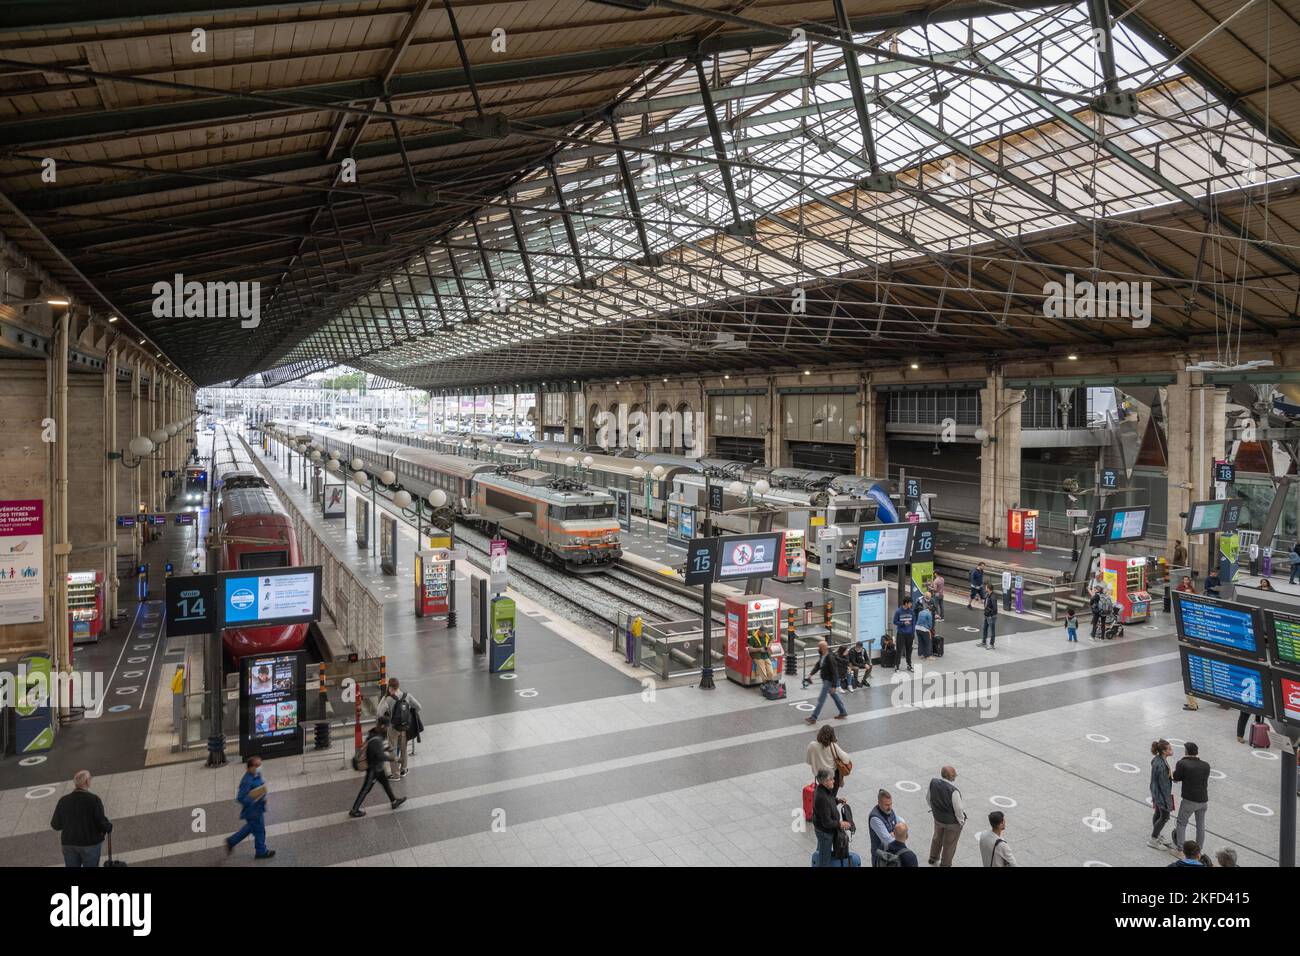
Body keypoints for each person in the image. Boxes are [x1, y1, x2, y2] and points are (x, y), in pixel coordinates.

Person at [50, 770, 112, 868]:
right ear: (87, 782)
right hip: (89, 844)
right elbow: (101, 823)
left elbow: (55, 825)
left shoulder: (63, 800)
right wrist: (108, 827)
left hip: (68, 843)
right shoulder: (94, 800)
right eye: (90, 778)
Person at [350, 718, 408, 818]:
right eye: (387, 726)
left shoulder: (374, 734)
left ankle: (394, 801)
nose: (388, 728)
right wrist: (396, 759)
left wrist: (384, 748)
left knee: (386, 784)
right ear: (382, 726)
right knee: (366, 789)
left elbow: (375, 751)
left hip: (378, 767)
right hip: (373, 769)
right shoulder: (376, 739)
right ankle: (354, 810)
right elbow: (380, 756)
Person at [226, 755, 274, 859]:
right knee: (260, 830)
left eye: (260, 765)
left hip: (258, 809)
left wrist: (263, 796)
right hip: (252, 811)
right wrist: (254, 798)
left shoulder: (257, 774)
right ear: (249, 767)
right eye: (257, 765)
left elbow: (260, 786)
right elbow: (240, 798)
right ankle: (261, 851)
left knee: (251, 828)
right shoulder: (247, 780)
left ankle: (231, 841)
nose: (259, 767)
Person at [376, 678, 421, 778]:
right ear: (398, 686)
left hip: (393, 728)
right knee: (403, 748)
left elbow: (379, 713)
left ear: (390, 687)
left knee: (392, 750)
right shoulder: (407, 696)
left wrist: (384, 698)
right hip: (404, 728)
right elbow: (418, 707)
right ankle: (403, 770)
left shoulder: (388, 699)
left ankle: (395, 774)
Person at [1171, 741, 1210, 856]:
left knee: (1182, 823)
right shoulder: (1206, 765)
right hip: (1203, 800)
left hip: (1189, 801)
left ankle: (1180, 849)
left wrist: (1183, 760)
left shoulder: (1183, 763)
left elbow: (1176, 777)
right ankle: (1198, 851)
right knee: (1200, 825)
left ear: (1186, 752)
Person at [926, 765, 967, 867]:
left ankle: (933, 857)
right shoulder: (954, 791)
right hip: (952, 823)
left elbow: (928, 798)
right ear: (951, 776)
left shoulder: (933, 782)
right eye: (954, 775)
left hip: (938, 818)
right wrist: (961, 821)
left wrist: (935, 810)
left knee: (936, 838)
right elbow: (958, 810)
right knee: (949, 844)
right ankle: (945, 864)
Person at [811, 769, 852, 867]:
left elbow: (830, 800)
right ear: (824, 781)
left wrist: (837, 800)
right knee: (825, 860)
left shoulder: (822, 789)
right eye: (831, 779)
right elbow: (827, 822)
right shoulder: (822, 798)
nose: (834, 781)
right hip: (825, 833)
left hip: (821, 830)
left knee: (821, 851)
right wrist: (840, 824)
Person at [804, 640, 848, 724]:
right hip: (825, 680)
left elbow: (834, 672)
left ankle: (813, 717)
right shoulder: (822, 655)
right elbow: (818, 665)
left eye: (819, 647)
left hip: (828, 681)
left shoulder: (830, 657)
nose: (818, 648)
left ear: (823, 648)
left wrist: (834, 686)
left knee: (821, 699)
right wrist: (811, 673)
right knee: (834, 696)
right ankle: (843, 712)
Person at [805, 724, 851, 800]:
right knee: (831, 798)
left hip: (820, 777)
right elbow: (846, 759)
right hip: (832, 777)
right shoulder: (833, 746)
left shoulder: (812, 745)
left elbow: (809, 761)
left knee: (823, 797)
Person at [1149, 739, 1174, 849]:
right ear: (1164, 751)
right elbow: (1164, 786)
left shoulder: (1157, 759)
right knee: (1164, 817)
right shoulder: (1162, 766)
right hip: (1161, 795)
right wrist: (1168, 801)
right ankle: (1153, 839)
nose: (1171, 750)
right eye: (1169, 749)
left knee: (1158, 813)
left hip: (1155, 791)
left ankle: (1156, 834)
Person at [867, 789, 902, 868]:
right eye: (886, 805)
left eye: (891, 804)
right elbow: (888, 840)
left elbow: (902, 825)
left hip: (891, 856)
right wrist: (898, 834)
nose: (889, 807)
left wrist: (894, 834)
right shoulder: (875, 818)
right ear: (879, 803)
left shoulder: (889, 811)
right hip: (881, 858)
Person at [893, 597, 916, 671]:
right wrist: (903, 623)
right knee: (899, 650)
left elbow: (913, 623)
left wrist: (913, 633)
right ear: (906, 603)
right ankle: (897, 666)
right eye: (910, 603)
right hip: (901, 634)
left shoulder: (911, 612)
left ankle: (909, 665)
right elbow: (895, 622)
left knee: (909, 650)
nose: (911, 604)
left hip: (910, 634)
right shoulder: (898, 611)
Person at [979, 582, 998, 648]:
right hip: (987, 615)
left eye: (986, 587)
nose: (985, 588)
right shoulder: (988, 595)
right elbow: (986, 603)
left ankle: (991, 644)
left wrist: (990, 613)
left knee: (992, 630)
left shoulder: (993, 597)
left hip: (991, 616)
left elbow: (995, 608)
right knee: (985, 628)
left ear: (989, 589)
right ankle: (984, 642)